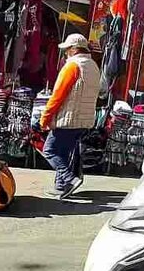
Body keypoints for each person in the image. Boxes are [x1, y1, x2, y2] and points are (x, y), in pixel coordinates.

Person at [39, 33, 102, 198]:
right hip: (84, 120)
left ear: (74, 49)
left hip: (69, 118)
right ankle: (60, 186)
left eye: (67, 50)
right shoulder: (94, 67)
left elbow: (57, 96)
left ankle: (69, 178)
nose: (65, 53)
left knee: (50, 150)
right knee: (64, 152)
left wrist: (45, 118)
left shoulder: (73, 66)